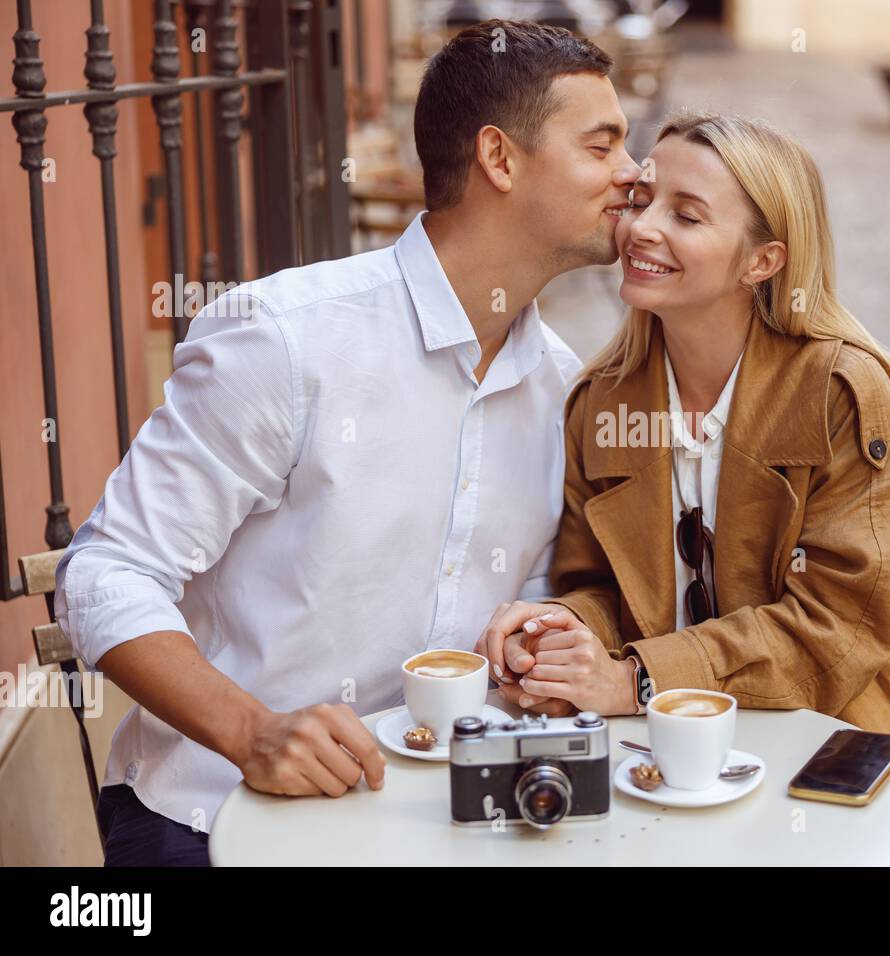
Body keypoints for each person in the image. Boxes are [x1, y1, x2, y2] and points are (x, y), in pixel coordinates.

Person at [55, 19, 639, 866]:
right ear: (500, 160)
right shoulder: (286, 341)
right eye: (602, 146)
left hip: (434, 821)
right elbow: (105, 571)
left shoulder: (560, 385)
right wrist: (251, 732)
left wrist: (536, 632)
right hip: (210, 815)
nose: (631, 174)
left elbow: (532, 584)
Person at [477, 111, 890, 866]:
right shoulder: (603, 401)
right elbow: (597, 583)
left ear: (763, 261)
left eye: (685, 215)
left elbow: (842, 624)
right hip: (662, 757)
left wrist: (637, 676)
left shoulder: (840, 391)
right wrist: (563, 634)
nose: (641, 229)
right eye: (644, 200)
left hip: (836, 732)